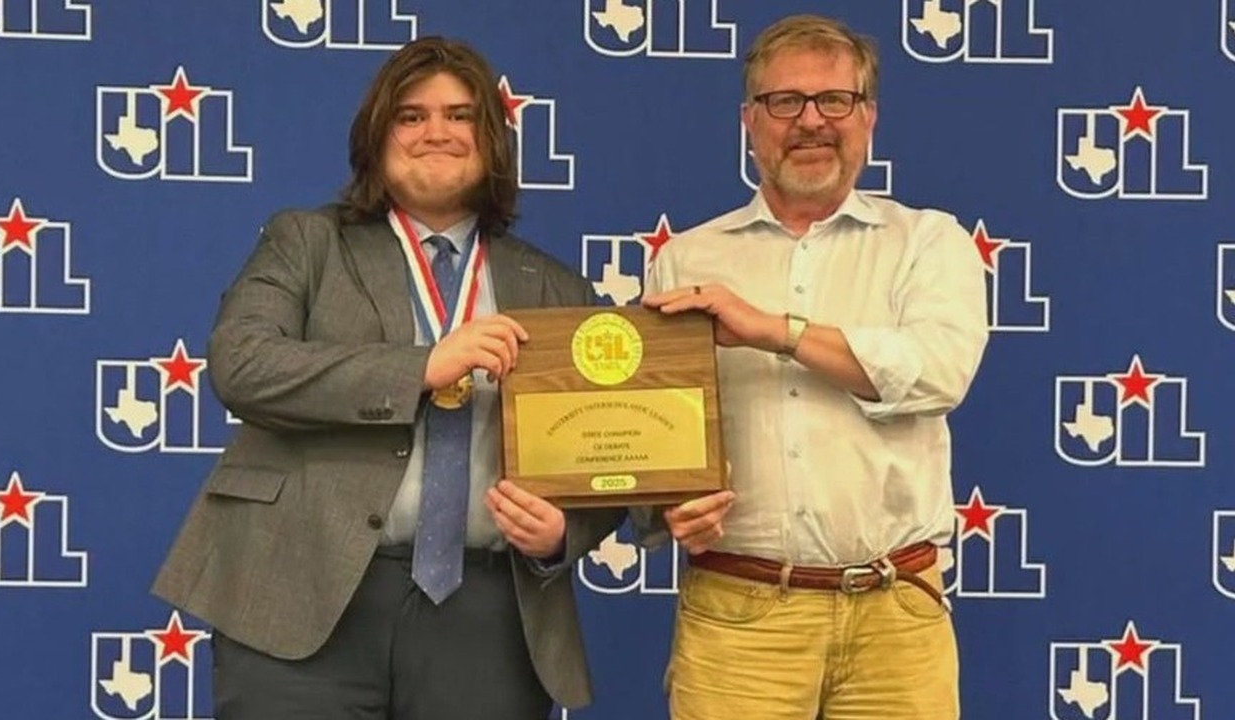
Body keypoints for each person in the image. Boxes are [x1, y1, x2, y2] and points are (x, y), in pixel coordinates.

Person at [152, 37, 624, 720]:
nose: (437, 132)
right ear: (376, 138)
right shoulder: (305, 241)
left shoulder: (556, 287)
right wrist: (422, 367)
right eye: (411, 116)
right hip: (299, 595)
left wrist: (563, 533)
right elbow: (243, 363)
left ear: (493, 141)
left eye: (460, 116)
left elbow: (610, 457)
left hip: (488, 614)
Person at [638, 14, 989, 720]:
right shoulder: (687, 259)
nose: (810, 121)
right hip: (739, 615)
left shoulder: (928, 242)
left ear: (869, 117)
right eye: (784, 102)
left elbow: (937, 373)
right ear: (749, 121)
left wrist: (772, 330)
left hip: (897, 614)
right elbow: (659, 431)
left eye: (834, 100)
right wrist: (667, 506)